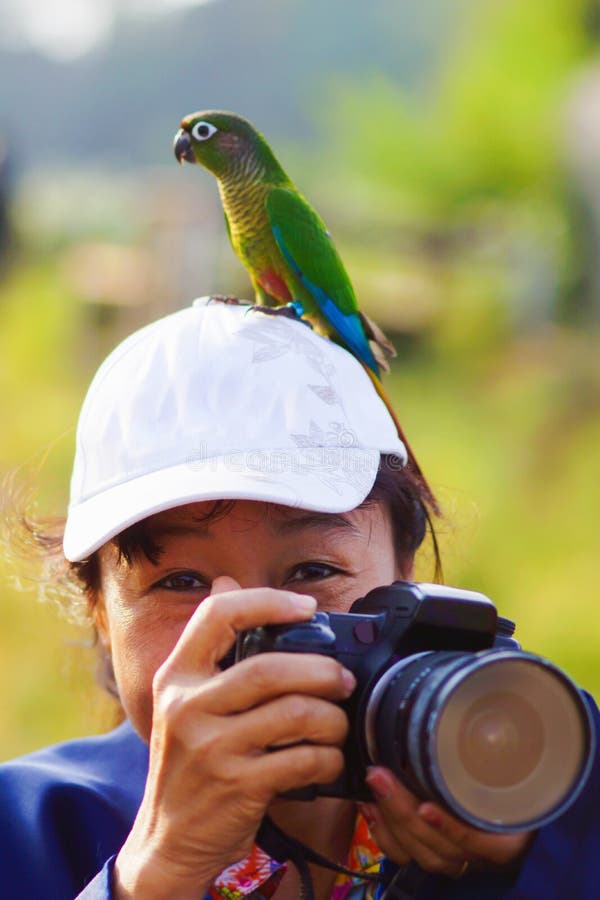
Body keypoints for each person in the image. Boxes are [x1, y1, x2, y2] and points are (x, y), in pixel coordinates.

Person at [0, 298, 598, 900]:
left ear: (405, 576)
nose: (243, 629)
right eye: (181, 582)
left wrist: (540, 855)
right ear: (100, 611)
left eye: (312, 570)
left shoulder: (557, 773)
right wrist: (156, 874)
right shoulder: (26, 833)